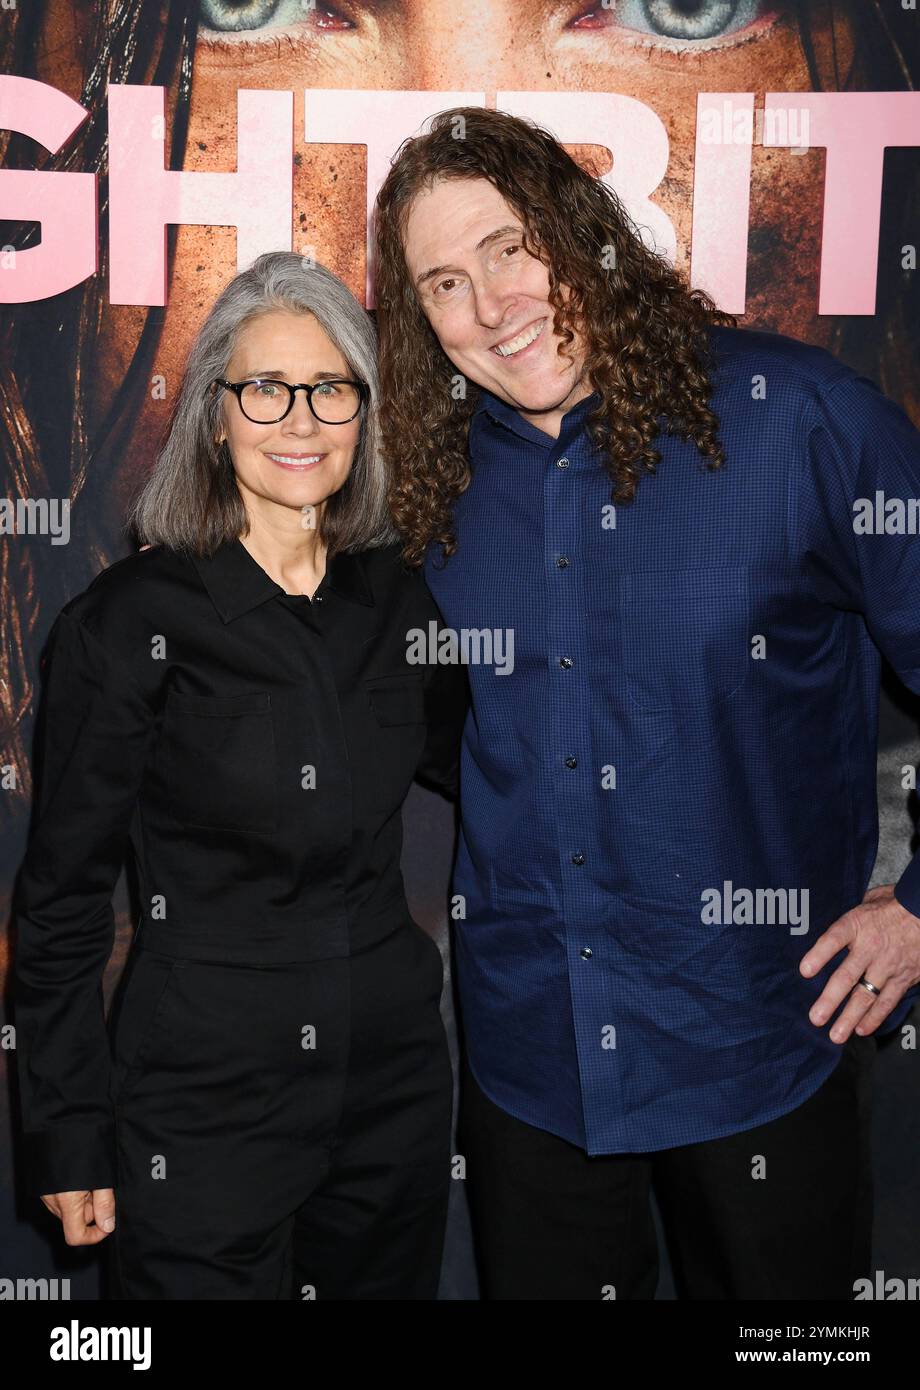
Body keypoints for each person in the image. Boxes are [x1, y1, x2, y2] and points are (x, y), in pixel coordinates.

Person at [371, 105, 920, 1300]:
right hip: (530, 1066)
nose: (495, 303)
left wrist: (918, 908)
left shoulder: (804, 423)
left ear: (581, 234)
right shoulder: (429, 489)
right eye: (446, 283)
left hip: (762, 1043)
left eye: (512, 248)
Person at [12, 250, 467, 1299]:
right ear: (214, 416)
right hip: (199, 1094)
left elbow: (496, 773)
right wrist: (68, 1126)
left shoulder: (403, 602)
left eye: (329, 390)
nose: (299, 420)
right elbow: (65, 897)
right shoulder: (126, 625)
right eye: (264, 390)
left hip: (390, 1082)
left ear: (363, 413)